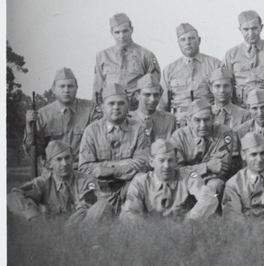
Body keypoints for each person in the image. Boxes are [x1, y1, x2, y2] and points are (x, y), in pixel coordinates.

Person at [77, 83, 151, 218]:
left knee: (133, 222)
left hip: (130, 190)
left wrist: (104, 169)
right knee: (95, 220)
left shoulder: (139, 129)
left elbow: (144, 164)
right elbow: (84, 168)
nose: (116, 107)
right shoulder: (91, 131)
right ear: (103, 107)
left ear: (128, 106)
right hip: (100, 191)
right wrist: (122, 164)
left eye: (121, 103)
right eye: (111, 104)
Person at [118, 139, 220, 223]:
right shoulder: (140, 182)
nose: (166, 166)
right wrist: (146, 230)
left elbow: (209, 197)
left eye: (170, 160)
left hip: (183, 230)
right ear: (151, 162)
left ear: (176, 161)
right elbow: (129, 211)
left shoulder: (188, 177)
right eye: (161, 161)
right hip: (150, 232)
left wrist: (190, 220)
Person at [166, 98, 242, 199]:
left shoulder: (224, 133)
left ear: (213, 118)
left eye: (206, 120)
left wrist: (189, 169)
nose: (203, 125)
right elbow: (175, 172)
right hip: (185, 183)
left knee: (215, 184)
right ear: (189, 121)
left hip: (210, 182)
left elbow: (220, 170)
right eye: (197, 120)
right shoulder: (179, 137)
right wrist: (207, 167)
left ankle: (211, 214)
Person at [8, 140, 98, 222]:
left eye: (67, 158)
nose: (64, 163)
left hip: (80, 228)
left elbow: (86, 209)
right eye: (59, 159)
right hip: (51, 231)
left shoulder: (86, 180)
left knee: (103, 206)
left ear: (73, 159)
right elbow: (13, 196)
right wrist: (33, 216)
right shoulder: (43, 182)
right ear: (49, 164)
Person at [23, 67, 100, 160]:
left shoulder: (90, 110)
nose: (66, 90)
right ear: (53, 89)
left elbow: (100, 141)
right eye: (62, 86)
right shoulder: (42, 115)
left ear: (77, 88)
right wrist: (29, 127)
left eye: (70, 86)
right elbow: (33, 151)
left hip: (82, 168)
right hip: (53, 170)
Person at [92, 13, 160, 106]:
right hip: (112, 108)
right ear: (111, 32)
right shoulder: (102, 56)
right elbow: (97, 87)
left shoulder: (146, 55)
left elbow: (154, 85)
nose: (122, 36)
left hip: (135, 108)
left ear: (131, 30)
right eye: (117, 32)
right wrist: (96, 108)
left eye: (125, 31)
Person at [162, 22, 224, 118]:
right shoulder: (169, 70)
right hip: (180, 122)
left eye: (191, 38)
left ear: (199, 40)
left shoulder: (215, 65)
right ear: (178, 43)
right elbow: (162, 105)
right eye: (183, 40)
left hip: (208, 121)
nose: (187, 42)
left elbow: (224, 98)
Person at [223, 9, 264, 104]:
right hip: (242, 107)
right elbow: (226, 83)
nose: (251, 33)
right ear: (240, 29)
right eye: (246, 29)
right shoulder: (231, 54)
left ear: (261, 27)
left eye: (254, 28)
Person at [128, 73, 177, 144]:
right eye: (147, 95)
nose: (152, 99)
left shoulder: (170, 121)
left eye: (156, 95)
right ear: (137, 95)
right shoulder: (128, 120)